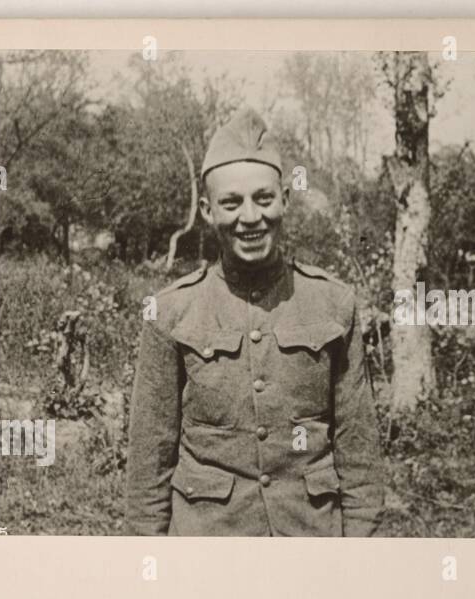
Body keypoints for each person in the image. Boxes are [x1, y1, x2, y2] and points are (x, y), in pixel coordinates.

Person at [125, 108, 385, 537]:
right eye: (232, 202)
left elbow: (359, 451)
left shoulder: (333, 304)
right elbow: (149, 460)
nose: (250, 217)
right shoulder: (171, 312)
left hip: (310, 538)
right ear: (208, 211)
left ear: (285, 198)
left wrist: (359, 555)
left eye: (263, 198)